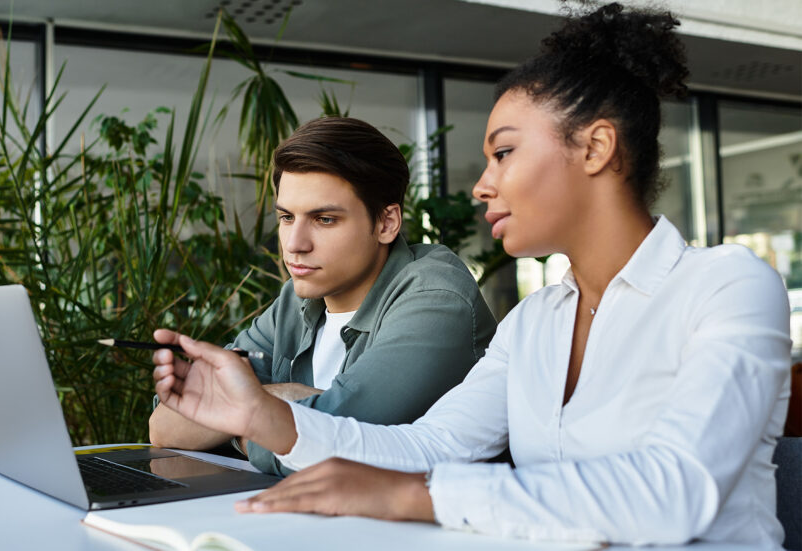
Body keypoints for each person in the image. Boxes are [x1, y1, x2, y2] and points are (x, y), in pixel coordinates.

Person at [151, 3, 793, 547]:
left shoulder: (726, 286)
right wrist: (263, 414)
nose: (483, 185)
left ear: (596, 148)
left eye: (504, 153)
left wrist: (416, 495)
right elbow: (429, 448)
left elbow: (675, 489)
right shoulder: (534, 323)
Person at [148, 116, 497, 476]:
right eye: (286, 218)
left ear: (386, 223)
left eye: (324, 219)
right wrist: (282, 399)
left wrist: (248, 415)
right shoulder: (296, 300)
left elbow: (336, 450)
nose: (295, 244)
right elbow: (167, 424)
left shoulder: (436, 298)